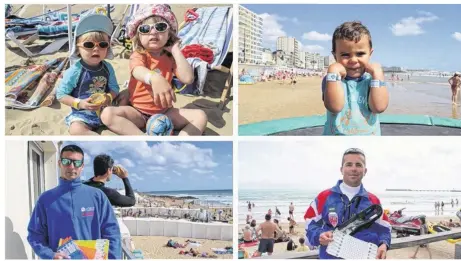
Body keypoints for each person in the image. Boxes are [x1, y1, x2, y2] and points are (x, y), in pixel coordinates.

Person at [102, 4, 207, 135]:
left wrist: (175, 50)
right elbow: (137, 70)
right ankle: (141, 138)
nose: (153, 32)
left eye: (160, 27)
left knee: (200, 116)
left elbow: (188, 78)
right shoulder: (140, 54)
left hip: (165, 113)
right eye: (145, 29)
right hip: (138, 111)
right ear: (138, 36)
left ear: (169, 34)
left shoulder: (171, 57)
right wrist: (154, 78)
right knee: (107, 114)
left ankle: (181, 139)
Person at [27, 145, 121, 259]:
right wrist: (50, 255)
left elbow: (112, 233)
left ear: (82, 166)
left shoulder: (98, 196)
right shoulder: (45, 199)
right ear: (59, 163)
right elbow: (35, 235)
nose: (71, 167)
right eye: (66, 161)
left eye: (76, 163)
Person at [305, 148, 391, 259]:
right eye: (349, 164)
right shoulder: (323, 197)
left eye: (359, 165)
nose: (354, 169)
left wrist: (383, 244)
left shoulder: (373, 201)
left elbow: (385, 229)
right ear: (341, 169)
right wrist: (319, 235)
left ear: (365, 171)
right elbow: (309, 225)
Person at [56, 14, 120, 135]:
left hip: (105, 112)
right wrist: (79, 103)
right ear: (78, 49)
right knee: (75, 129)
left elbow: (115, 88)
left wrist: (108, 97)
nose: (96, 49)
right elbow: (61, 94)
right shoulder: (75, 70)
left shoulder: (107, 67)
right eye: (89, 45)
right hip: (82, 114)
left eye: (102, 45)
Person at [322, 21, 389, 135]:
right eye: (345, 55)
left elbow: (379, 107)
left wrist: (378, 75)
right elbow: (335, 107)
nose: (353, 60)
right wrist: (333, 71)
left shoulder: (372, 80)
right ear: (335, 56)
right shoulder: (332, 79)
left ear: (370, 54)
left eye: (360, 54)